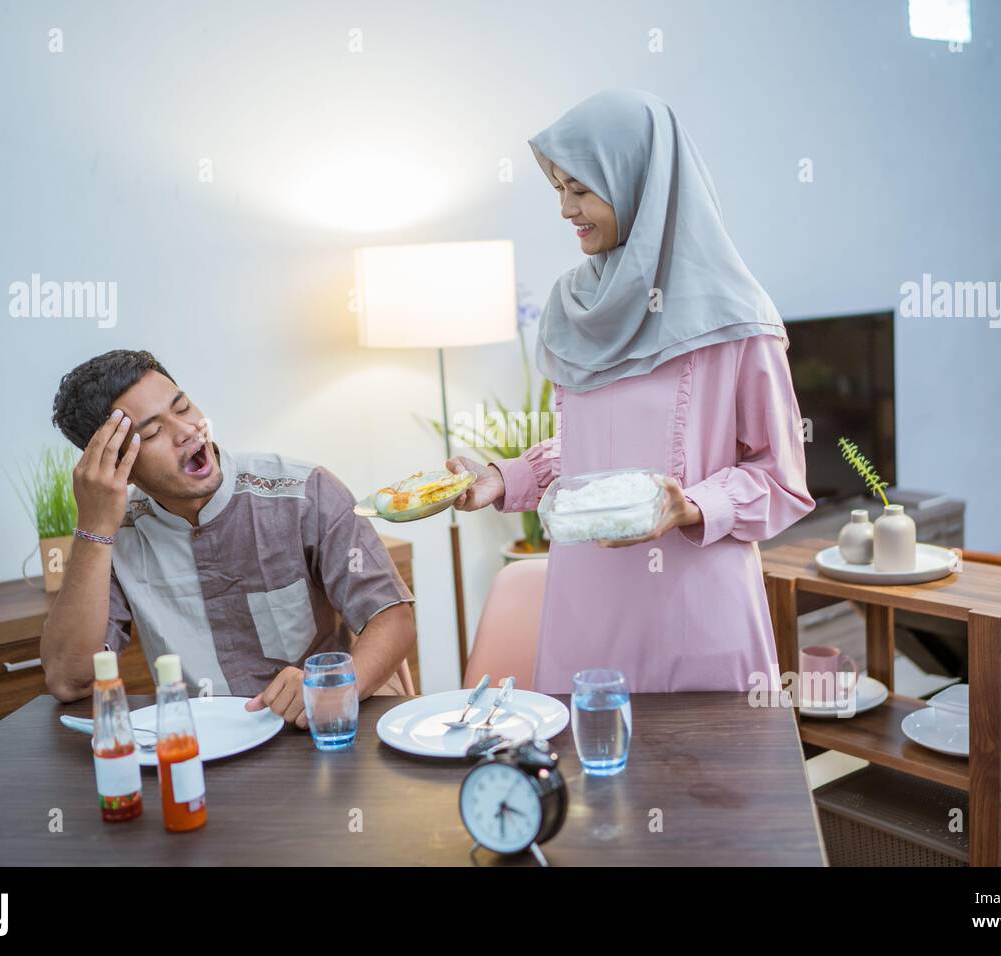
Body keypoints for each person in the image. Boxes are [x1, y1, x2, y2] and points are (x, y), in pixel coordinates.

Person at [450, 90, 815, 694]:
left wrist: (690, 505)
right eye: (559, 189)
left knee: (709, 783)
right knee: (588, 783)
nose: (566, 209)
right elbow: (590, 451)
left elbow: (781, 478)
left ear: (641, 184)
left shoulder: (738, 320)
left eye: (582, 189)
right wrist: (503, 477)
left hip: (697, 610)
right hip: (587, 609)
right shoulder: (577, 308)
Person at [41, 349, 415, 729]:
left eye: (183, 407)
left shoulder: (304, 493)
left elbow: (392, 617)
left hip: (315, 734)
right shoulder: (117, 536)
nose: (188, 430)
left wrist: (332, 686)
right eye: (152, 432)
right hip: (204, 754)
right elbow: (69, 680)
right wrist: (94, 528)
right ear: (120, 466)